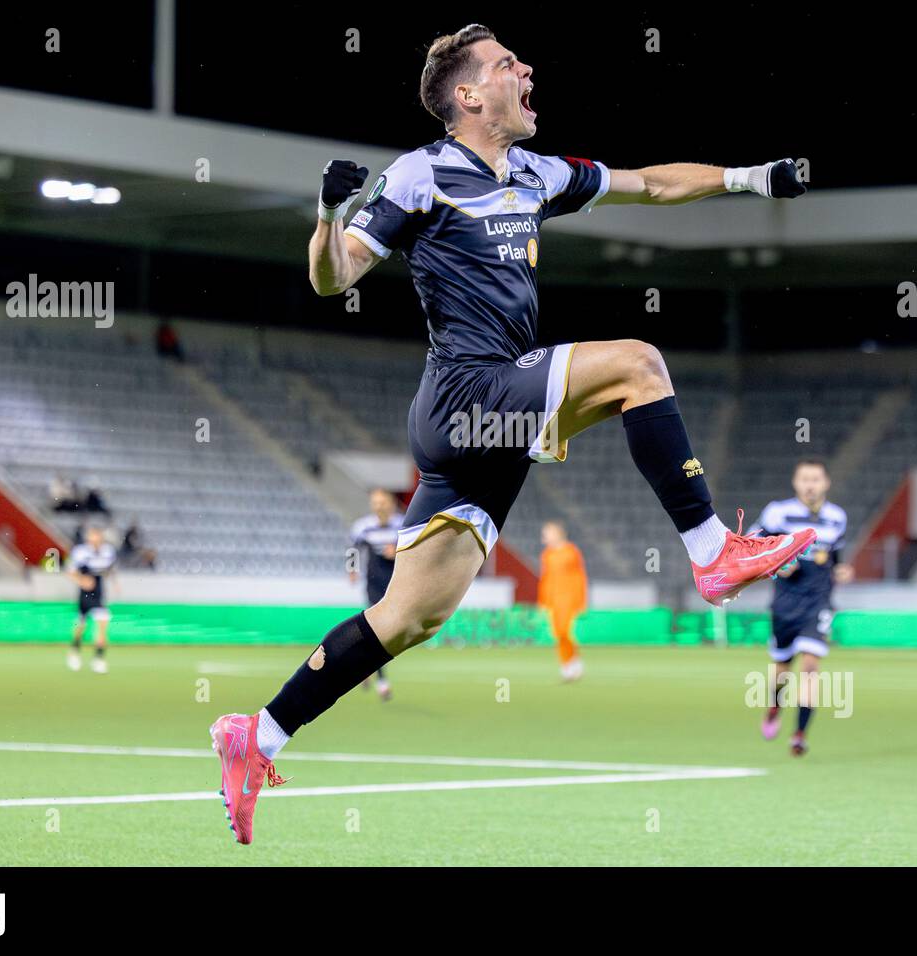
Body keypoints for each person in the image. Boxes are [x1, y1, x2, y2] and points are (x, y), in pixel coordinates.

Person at [209, 23, 816, 844]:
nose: (525, 69)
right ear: (467, 96)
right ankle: (710, 548)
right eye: (505, 64)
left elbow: (652, 186)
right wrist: (326, 213)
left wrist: (749, 177)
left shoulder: (535, 173)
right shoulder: (422, 172)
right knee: (640, 362)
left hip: (489, 416)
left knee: (411, 616)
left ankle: (260, 733)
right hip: (469, 394)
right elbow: (335, 276)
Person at [751, 460, 853, 757]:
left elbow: (835, 558)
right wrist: (778, 564)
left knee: (810, 666)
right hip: (786, 602)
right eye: (805, 479)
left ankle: (799, 735)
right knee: (782, 668)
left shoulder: (837, 517)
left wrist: (842, 571)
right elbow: (755, 543)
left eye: (816, 479)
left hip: (818, 601)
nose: (811, 485)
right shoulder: (778, 512)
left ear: (826, 483)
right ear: (796, 483)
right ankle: (774, 707)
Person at [348, 489, 404, 701]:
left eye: (382, 502)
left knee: (388, 633)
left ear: (390, 504)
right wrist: (351, 570)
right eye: (375, 502)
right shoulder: (363, 526)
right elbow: (352, 549)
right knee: (378, 632)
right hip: (373, 583)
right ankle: (382, 681)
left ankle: (367, 666)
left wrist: (398, 550)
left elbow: (415, 549)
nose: (379, 506)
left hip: (396, 584)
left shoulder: (402, 524)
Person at [537, 520, 587, 681]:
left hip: (569, 597)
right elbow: (545, 578)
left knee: (565, 631)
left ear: (558, 533)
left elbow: (580, 577)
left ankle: (570, 665)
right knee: (558, 633)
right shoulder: (547, 554)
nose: (544, 536)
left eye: (547, 533)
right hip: (554, 599)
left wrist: (581, 599)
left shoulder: (571, 552)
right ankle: (570, 664)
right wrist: (543, 600)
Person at [66, 524, 118, 674]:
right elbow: (70, 572)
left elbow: (109, 570)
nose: (94, 540)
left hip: (99, 591)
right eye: (91, 537)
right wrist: (82, 581)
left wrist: (115, 584)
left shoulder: (108, 551)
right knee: (81, 626)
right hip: (85, 592)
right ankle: (74, 652)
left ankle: (99, 659)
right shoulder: (80, 552)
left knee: (102, 624)